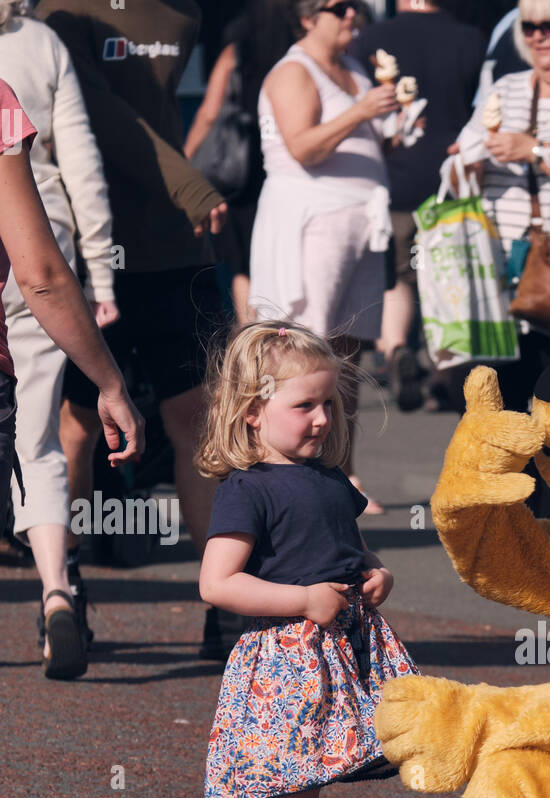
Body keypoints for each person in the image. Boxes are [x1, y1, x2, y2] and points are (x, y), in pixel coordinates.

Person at [197, 320, 418, 798]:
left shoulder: (328, 481)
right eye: (304, 406)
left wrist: (376, 572)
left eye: (329, 404)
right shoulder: (248, 488)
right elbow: (218, 582)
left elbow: (346, 548)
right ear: (253, 412)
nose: (321, 419)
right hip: (287, 663)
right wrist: (301, 599)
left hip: (330, 653)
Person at [35, 0, 231, 657]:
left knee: (200, 420)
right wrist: (189, 186)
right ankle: (63, 588)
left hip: (178, 249)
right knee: (77, 424)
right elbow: (104, 118)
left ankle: (223, 603)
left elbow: (159, 112)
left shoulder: (185, 13)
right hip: (94, 251)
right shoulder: (65, 15)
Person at [0, 2, 117, 677]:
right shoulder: (39, 44)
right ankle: (56, 589)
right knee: (37, 437)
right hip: (35, 238)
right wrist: (100, 274)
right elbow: (81, 161)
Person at [250, 0, 398, 512]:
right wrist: (362, 111)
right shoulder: (295, 70)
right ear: (308, 16)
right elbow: (303, 148)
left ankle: (341, 468)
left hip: (361, 219)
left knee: (348, 351)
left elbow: (362, 143)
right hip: (313, 220)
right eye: (339, 7)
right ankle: (289, 469)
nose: (353, 15)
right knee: (305, 348)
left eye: (357, 6)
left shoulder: (353, 66)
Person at [454, 0, 550, 414]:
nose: (538, 36)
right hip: (499, 259)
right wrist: (464, 162)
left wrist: (534, 152)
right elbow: (458, 165)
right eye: (529, 27)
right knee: (500, 400)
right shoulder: (507, 88)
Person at [348, 0, 486, 412]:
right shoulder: (470, 38)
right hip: (450, 178)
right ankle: (445, 375)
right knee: (446, 278)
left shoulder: (372, 39)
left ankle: (394, 349)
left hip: (395, 174)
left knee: (399, 278)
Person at [185, 0, 298, 326]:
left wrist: (183, 164)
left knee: (244, 263)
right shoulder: (299, 53)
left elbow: (208, 114)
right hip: (287, 162)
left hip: (243, 171)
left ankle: (251, 335)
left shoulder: (237, 50)